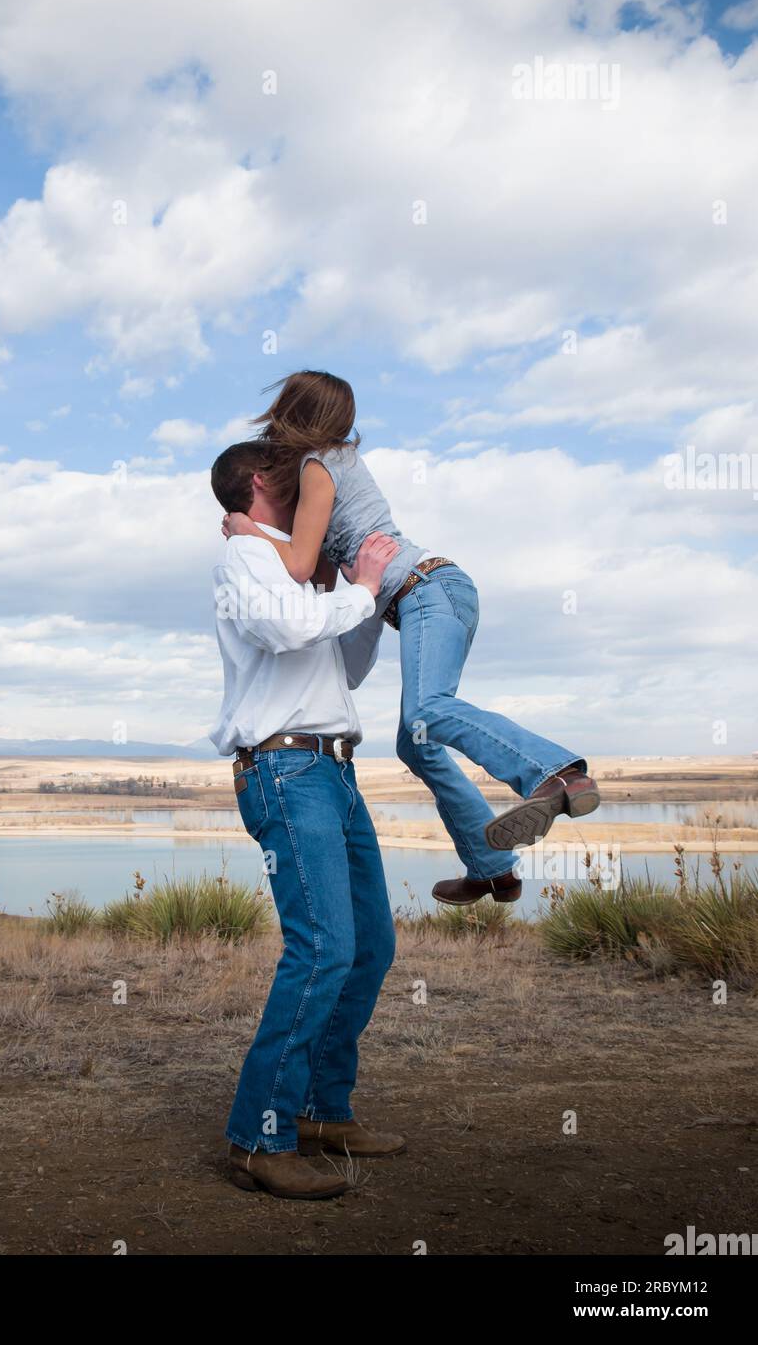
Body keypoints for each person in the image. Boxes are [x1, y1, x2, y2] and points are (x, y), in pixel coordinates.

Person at [223, 371, 599, 907]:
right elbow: (320, 585)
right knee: (416, 741)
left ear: (292, 414)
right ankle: (492, 866)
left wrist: (247, 528)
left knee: (431, 711)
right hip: (433, 593)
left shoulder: (318, 465)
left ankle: (557, 774)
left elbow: (300, 563)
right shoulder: (333, 472)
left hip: (427, 590)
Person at [209, 439, 405, 1199]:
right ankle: (259, 1138)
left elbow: (342, 664)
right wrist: (351, 589)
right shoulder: (244, 560)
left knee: (370, 945)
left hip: (334, 766)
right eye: (298, 481)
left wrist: (364, 592)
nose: (312, 494)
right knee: (322, 948)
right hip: (286, 770)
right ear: (262, 484)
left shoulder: (290, 566)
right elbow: (290, 630)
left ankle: (323, 1109)